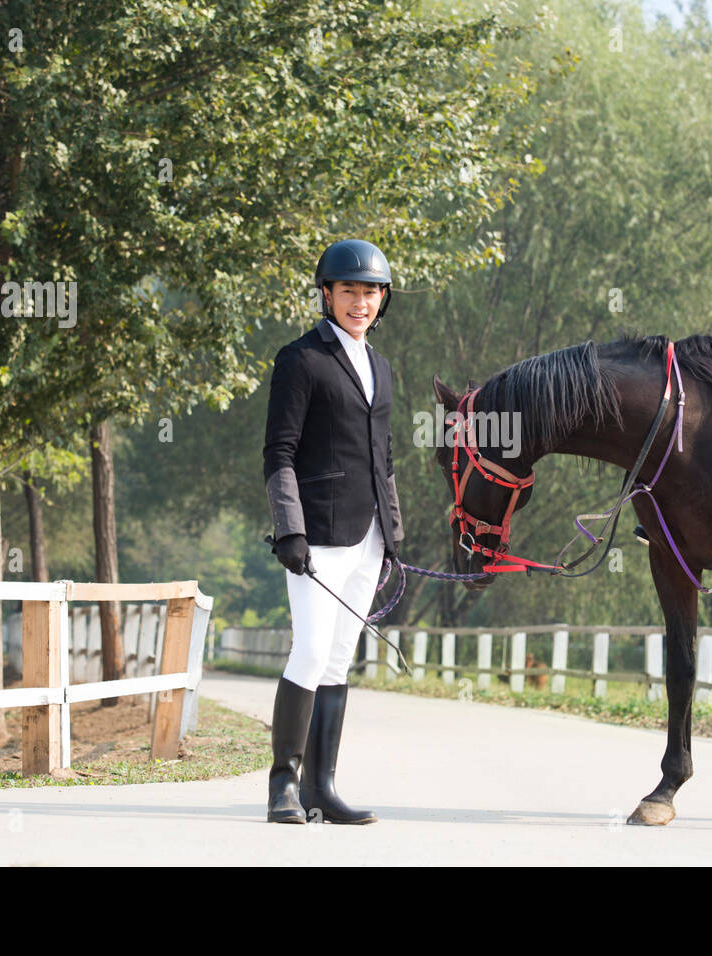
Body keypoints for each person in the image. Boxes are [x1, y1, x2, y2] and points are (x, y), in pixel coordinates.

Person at [262, 238, 404, 824]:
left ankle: (322, 786)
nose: (360, 302)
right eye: (349, 290)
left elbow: (385, 460)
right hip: (316, 535)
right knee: (311, 650)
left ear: (382, 299)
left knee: (339, 660)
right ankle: (282, 787)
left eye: (370, 292)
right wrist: (288, 529)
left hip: (367, 536)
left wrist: (392, 536)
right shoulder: (300, 360)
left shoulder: (382, 366)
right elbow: (279, 453)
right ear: (327, 293)